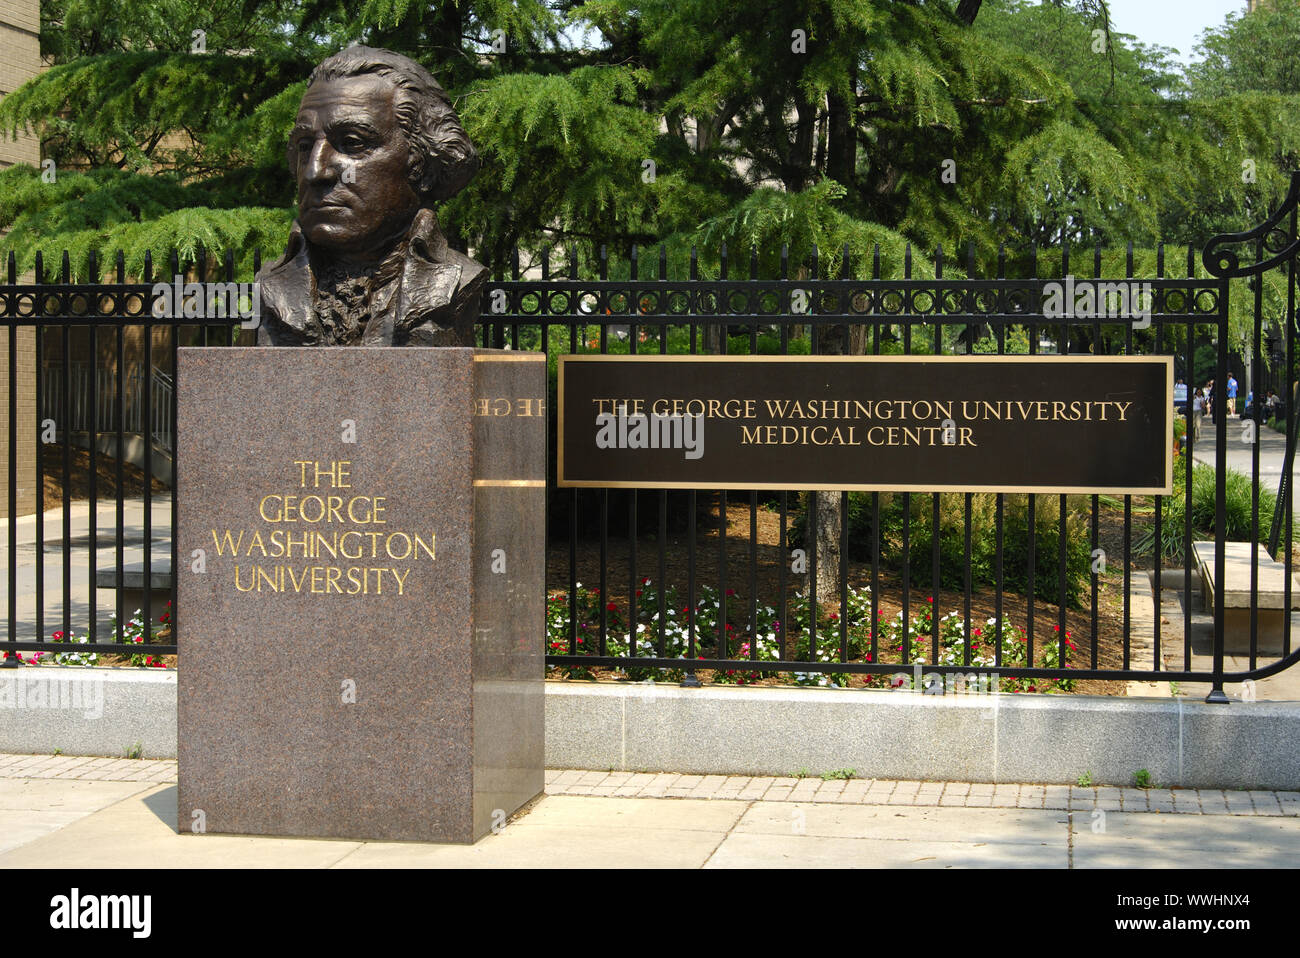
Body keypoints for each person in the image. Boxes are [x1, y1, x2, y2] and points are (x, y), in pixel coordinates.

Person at [256, 46, 486, 347]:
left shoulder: (455, 283)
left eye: (351, 142)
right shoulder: (266, 289)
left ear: (423, 166)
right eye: (305, 145)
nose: (315, 171)